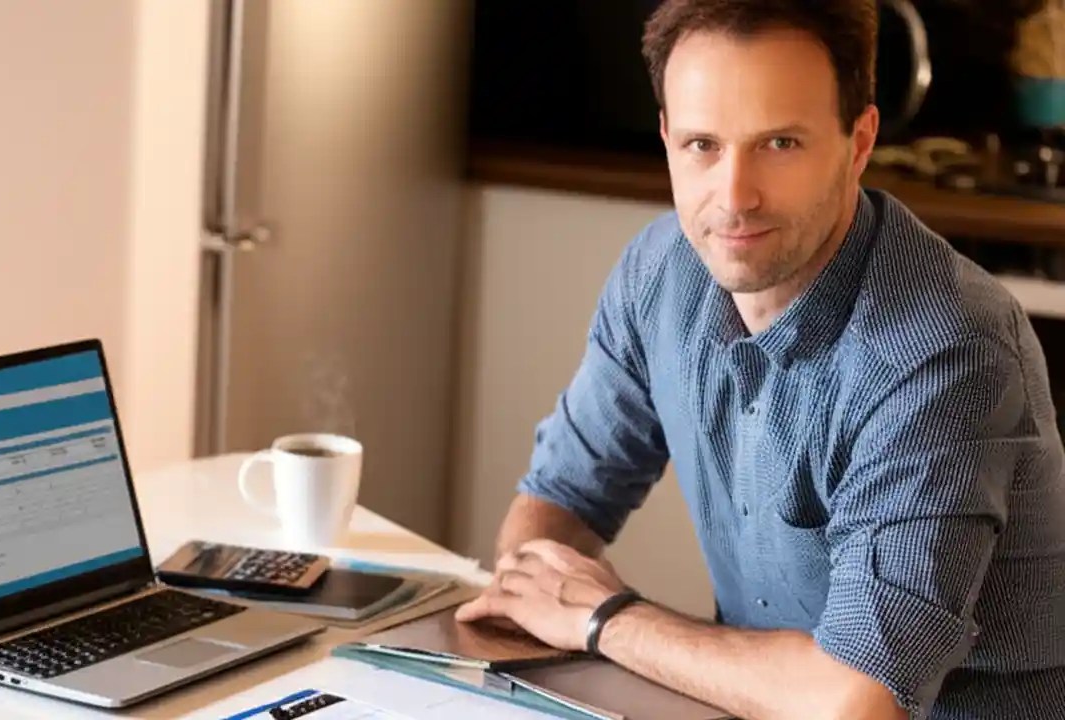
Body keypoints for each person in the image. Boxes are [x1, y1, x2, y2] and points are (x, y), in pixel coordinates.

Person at [455, 1, 1065, 718]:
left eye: (779, 144)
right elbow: (558, 504)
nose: (734, 198)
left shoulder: (944, 351)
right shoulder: (659, 274)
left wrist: (605, 619)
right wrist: (542, 590)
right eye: (702, 145)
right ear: (666, 139)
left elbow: (856, 699)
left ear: (859, 141)